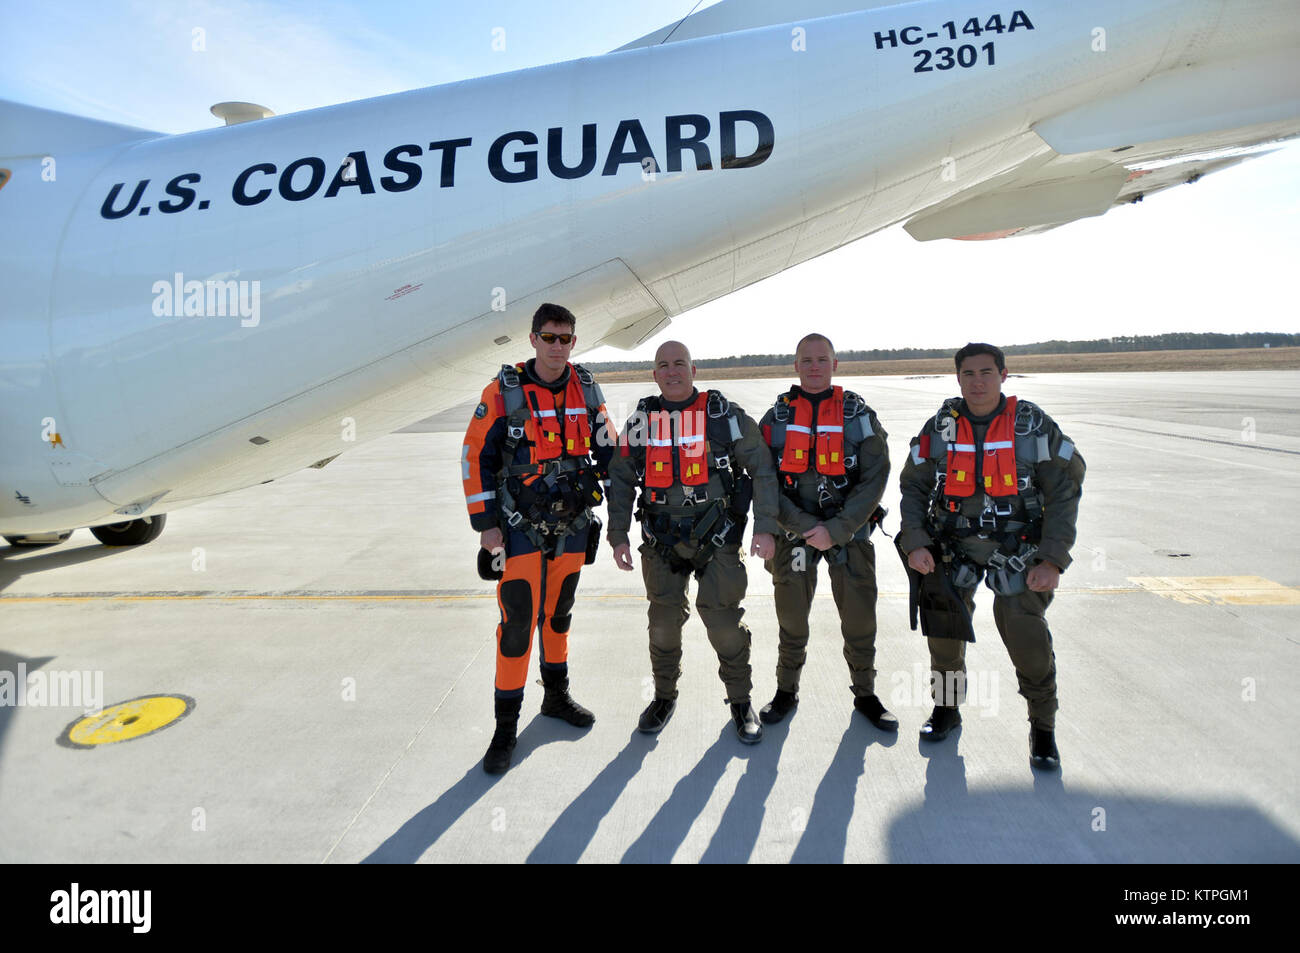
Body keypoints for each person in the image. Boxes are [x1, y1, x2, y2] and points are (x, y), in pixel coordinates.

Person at [898, 342, 1085, 769]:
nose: (977, 381)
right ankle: (946, 709)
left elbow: (1064, 491)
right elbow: (914, 486)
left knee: (1026, 635)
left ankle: (1043, 727)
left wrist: (1052, 557)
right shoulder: (941, 427)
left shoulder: (1032, 427)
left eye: (986, 372)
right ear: (958, 377)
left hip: (1019, 551)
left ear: (1004, 374)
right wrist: (915, 541)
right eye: (969, 374)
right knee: (943, 636)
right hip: (953, 548)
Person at [461, 302, 617, 774]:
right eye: (549, 337)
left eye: (566, 338)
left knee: (559, 615)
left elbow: (607, 447)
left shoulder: (586, 387)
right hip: (518, 528)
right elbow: (474, 457)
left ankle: (556, 698)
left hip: (571, 525)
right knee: (516, 626)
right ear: (532, 339)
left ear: (573, 341)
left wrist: (625, 508)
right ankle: (505, 729)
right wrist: (487, 525)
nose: (557, 346)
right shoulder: (503, 392)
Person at [607, 341, 780, 744]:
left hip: (716, 539)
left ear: (693, 370)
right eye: (663, 366)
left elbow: (762, 468)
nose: (672, 372)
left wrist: (765, 526)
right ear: (654, 375)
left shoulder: (723, 416)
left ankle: (740, 702)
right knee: (663, 625)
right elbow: (620, 476)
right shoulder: (641, 421)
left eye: (679, 364)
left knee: (723, 624)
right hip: (660, 541)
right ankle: (663, 698)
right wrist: (618, 535)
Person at [757, 333, 895, 729]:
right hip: (794, 533)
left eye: (822, 359)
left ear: (835, 364)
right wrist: (803, 526)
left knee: (859, 620)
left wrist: (838, 528)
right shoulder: (777, 418)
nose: (814, 366)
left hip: (848, 534)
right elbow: (765, 478)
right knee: (792, 619)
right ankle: (786, 690)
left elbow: (875, 476)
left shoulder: (858, 415)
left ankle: (865, 694)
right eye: (807, 360)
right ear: (795, 366)